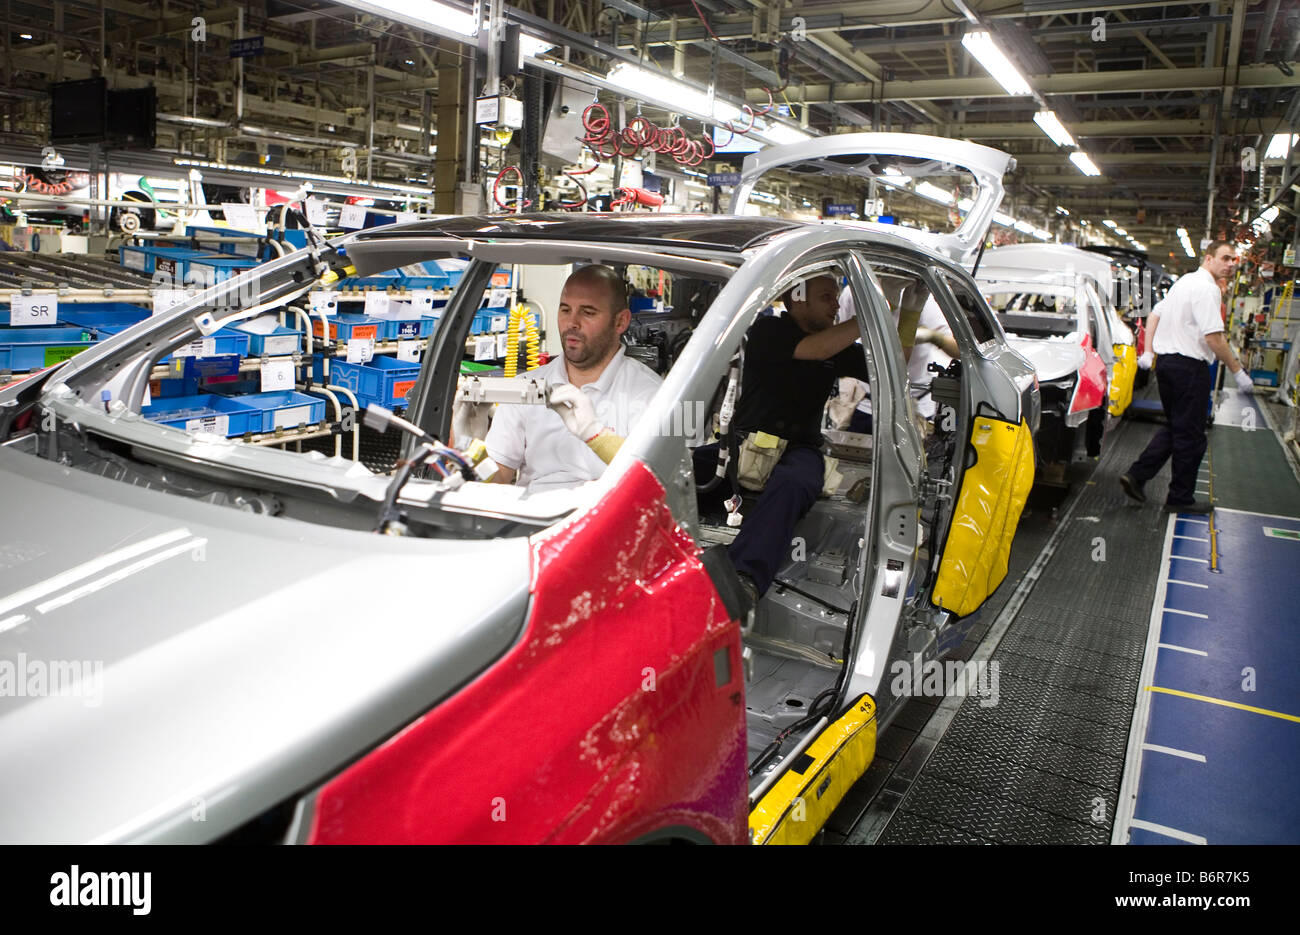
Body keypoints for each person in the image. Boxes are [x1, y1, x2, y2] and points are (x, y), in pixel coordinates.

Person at [694, 274, 875, 601]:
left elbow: (895, 363)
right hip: (745, 445)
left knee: (797, 482)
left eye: (836, 297)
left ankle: (742, 579)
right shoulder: (769, 330)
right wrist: (869, 317)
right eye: (826, 297)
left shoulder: (837, 347)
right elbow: (816, 350)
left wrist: (908, 310)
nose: (836, 305)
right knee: (678, 470)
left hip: (799, 449)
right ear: (798, 297)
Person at [467, 264, 661, 492]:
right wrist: (470, 447)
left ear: (621, 322)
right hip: (534, 520)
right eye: (565, 310)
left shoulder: (652, 394)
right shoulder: (526, 388)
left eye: (588, 312)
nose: (572, 323)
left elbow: (659, 482)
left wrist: (597, 436)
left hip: (609, 519)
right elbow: (497, 480)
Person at [1119, 241, 1251, 513]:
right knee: (1191, 436)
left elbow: (1155, 314)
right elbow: (1214, 338)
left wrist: (1149, 351)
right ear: (1209, 258)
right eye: (1225, 258)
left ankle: (1137, 475)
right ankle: (1179, 498)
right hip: (1189, 368)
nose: (1230, 265)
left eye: (1233, 260)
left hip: (1167, 366)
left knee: (1177, 426)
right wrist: (1238, 371)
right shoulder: (1207, 288)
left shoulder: (1184, 282)